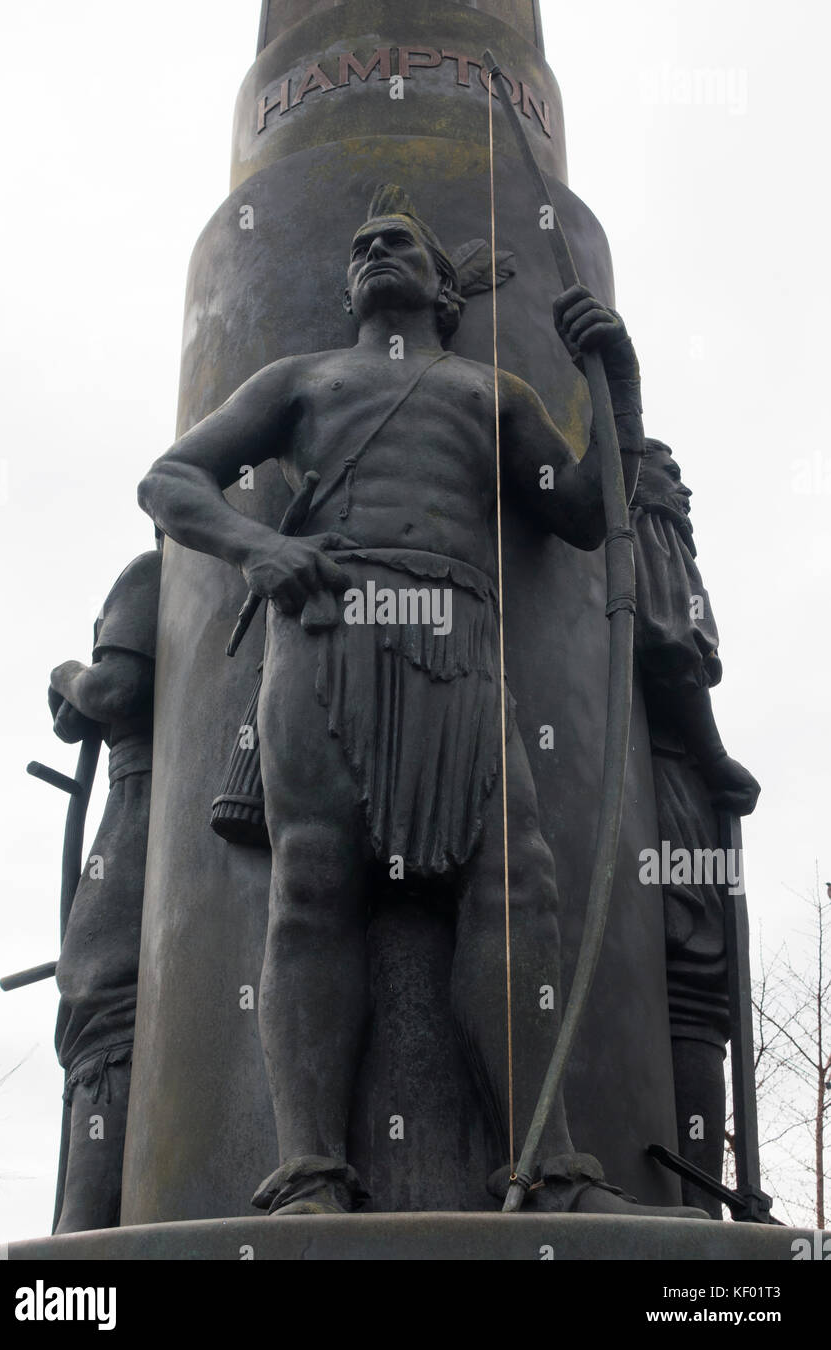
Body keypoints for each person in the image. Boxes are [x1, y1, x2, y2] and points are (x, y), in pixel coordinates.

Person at [139, 184, 701, 1217]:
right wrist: (260, 548)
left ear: (443, 286)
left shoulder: (492, 396)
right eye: (360, 246)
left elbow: (582, 512)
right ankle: (308, 1172)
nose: (374, 252)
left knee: (515, 879)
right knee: (311, 880)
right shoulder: (297, 380)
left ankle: (544, 1169)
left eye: (398, 242)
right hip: (325, 636)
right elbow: (171, 481)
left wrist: (615, 385)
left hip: (459, 646)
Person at [631, 440, 760, 1216]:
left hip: (618, 775)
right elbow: (675, 649)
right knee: (697, 978)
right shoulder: (650, 522)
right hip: (668, 779)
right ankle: (696, 1203)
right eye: (672, 477)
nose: (683, 492)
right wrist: (715, 761)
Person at [48, 543, 161, 1232]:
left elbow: (112, 690)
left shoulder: (158, 574)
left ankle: (85, 1237)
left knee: (101, 993)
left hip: (145, 816)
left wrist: (65, 673)